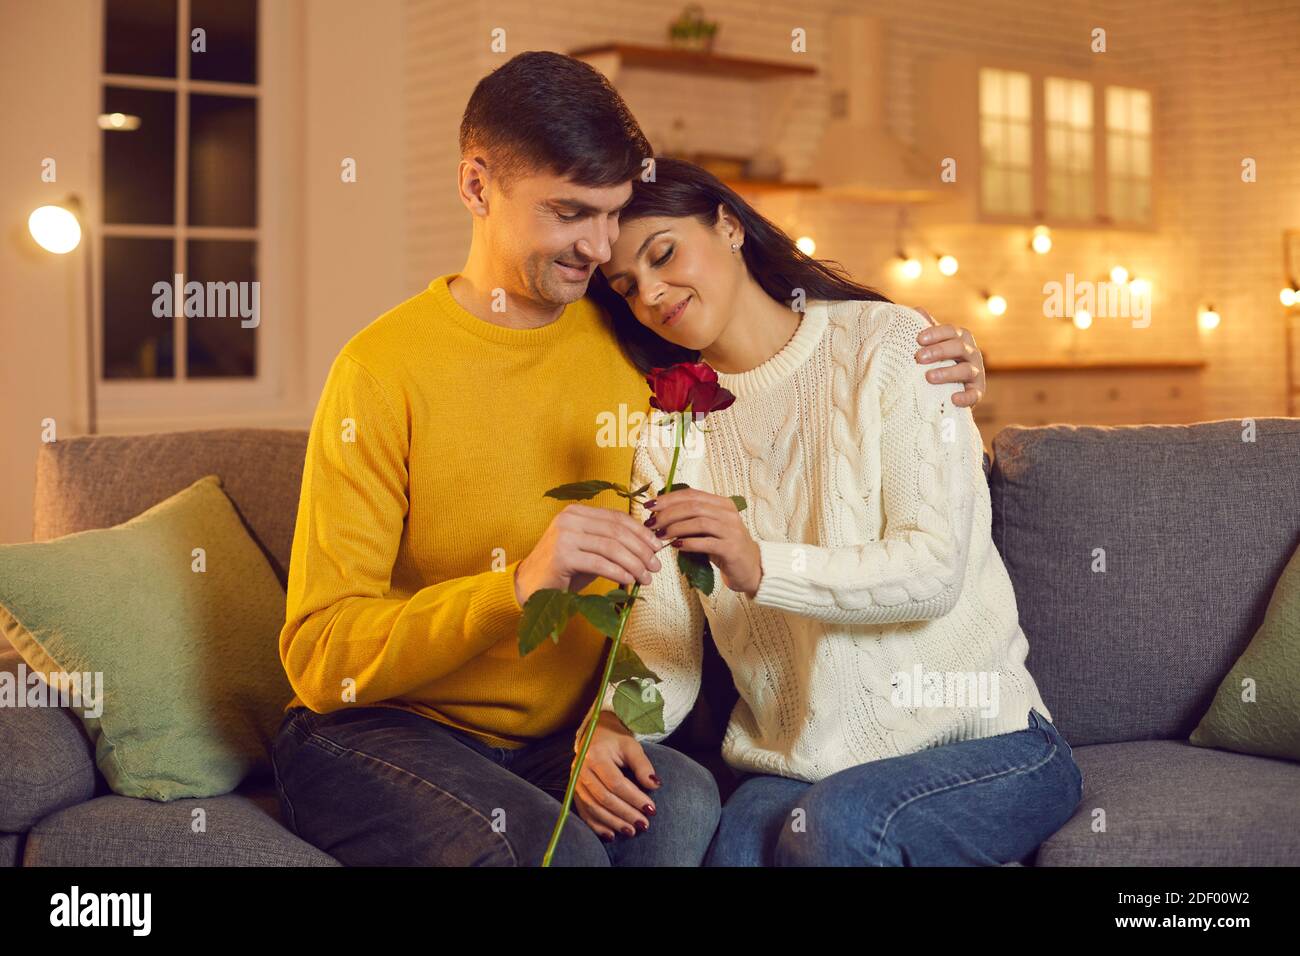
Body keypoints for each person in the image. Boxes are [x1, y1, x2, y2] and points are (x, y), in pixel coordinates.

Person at [270, 51, 991, 867]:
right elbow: (321, 656)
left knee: (682, 807)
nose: (598, 247)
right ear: (476, 187)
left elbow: (788, 365)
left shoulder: (635, 332)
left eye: (612, 216)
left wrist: (949, 361)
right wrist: (516, 588)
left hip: (560, 736)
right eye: (570, 213)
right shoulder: (381, 370)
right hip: (385, 729)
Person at [573, 156, 1082, 865]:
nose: (653, 292)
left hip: (989, 746)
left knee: (842, 824)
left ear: (727, 225)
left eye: (663, 253)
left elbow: (935, 570)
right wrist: (609, 723)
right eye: (627, 286)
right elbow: (666, 638)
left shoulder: (893, 347)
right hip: (797, 768)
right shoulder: (670, 431)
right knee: (741, 851)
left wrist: (758, 564)